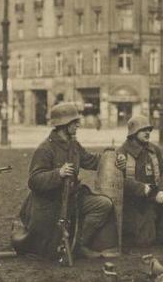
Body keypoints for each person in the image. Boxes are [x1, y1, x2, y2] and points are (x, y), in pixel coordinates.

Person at [13, 102, 125, 260]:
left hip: (72, 197)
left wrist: (113, 160)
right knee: (47, 251)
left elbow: (91, 160)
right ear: (63, 125)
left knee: (103, 204)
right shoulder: (45, 149)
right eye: (74, 122)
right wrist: (58, 174)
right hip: (50, 203)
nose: (78, 125)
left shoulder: (73, 145)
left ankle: (79, 245)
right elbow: (34, 180)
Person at [118, 115, 163, 247]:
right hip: (134, 201)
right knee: (145, 241)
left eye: (149, 130)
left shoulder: (154, 149)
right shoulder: (122, 152)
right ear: (133, 132)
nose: (147, 133)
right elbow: (118, 180)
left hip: (154, 194)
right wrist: (140, 188)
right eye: (143, 130)